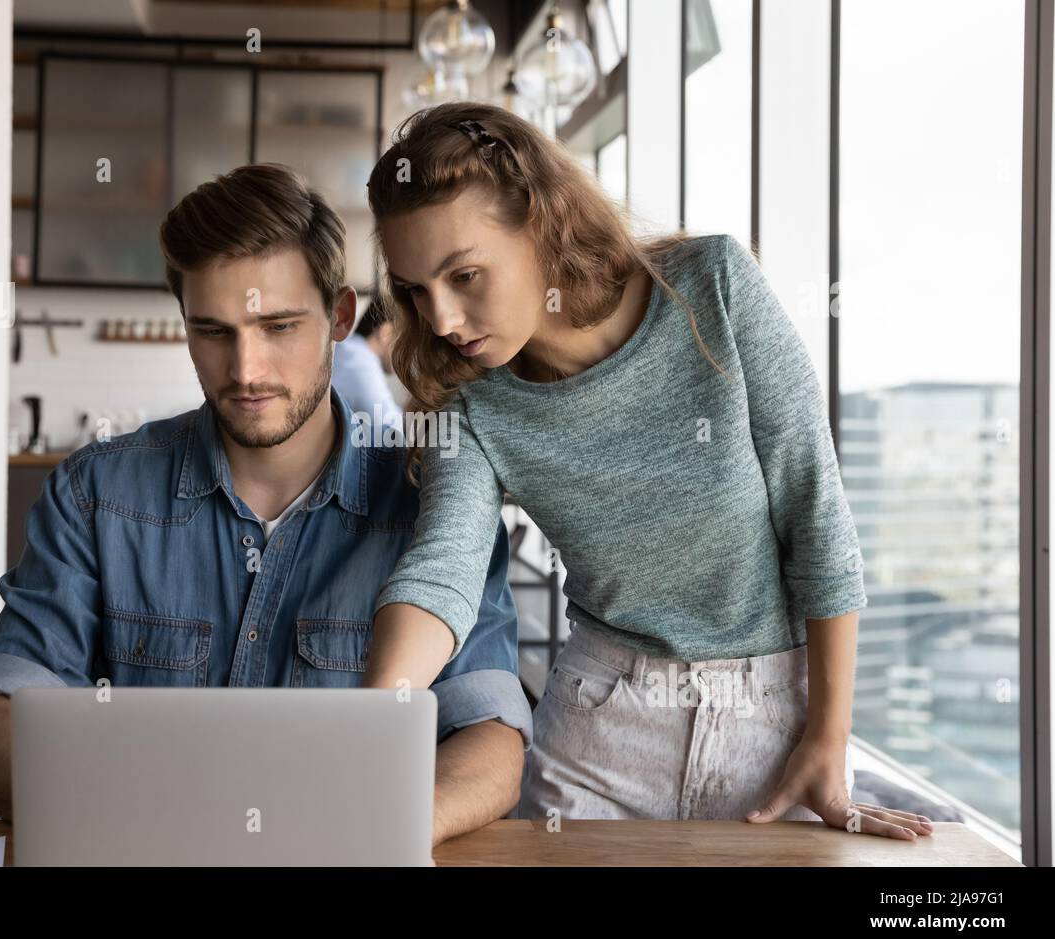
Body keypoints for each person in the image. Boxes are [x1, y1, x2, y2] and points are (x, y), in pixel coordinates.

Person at [357, 102, 933, 841]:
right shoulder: (466, 398)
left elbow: (814, 510)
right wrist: (373, 724)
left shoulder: (713, 289)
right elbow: (445, 566)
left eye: (464, 275)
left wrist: (828, 734)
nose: (439, 319)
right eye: (413, 290)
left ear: (540, 224)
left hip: (775, 729)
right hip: (598, 728)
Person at [0, 163, 530, 847]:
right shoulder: (95, 496)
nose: (246, 370)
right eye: (214, 332)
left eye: (278, 326)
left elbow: (492, 740)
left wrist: (379, 828)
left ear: (339, 317)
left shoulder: (430, 505)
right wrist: (170, 817)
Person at [332, 295, 404, 432]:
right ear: (386, 333)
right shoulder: (357, 360)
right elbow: (392, 431)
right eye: (407, 344)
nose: (410, 356)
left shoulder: (350, 351)